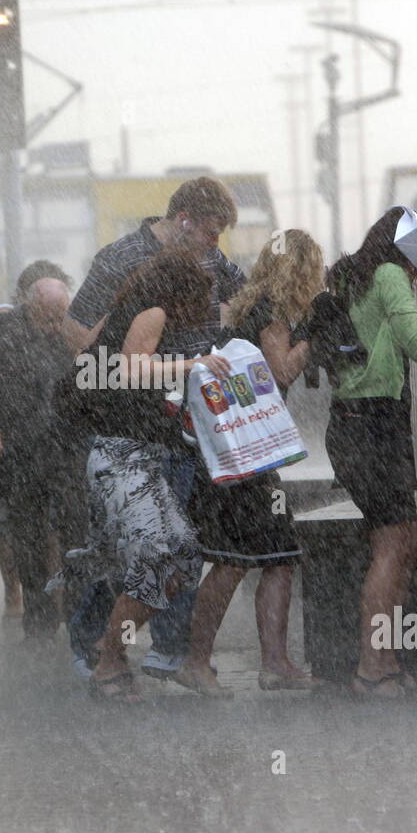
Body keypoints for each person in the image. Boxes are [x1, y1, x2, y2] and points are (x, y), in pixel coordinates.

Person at [62, 177, 245, 681]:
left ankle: (148, 647)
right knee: (146, 548)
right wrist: (172, 367)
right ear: (184, 219)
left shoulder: (198, 265)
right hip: (129, 435)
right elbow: (87, 340)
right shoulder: (128, 268)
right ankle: (102, 648)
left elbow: (246, 295)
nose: (216, 246)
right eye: (211, 232)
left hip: (171, 428)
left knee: (176, 547)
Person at [176, 229, 324, 697]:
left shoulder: (247, 305)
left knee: (274, 556)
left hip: (235, 450)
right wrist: (318, 336)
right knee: (234, 560)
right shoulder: (274, 314)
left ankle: (271, 663)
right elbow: (280, 369)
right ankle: (198, 662)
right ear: (302, 270)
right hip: (243, 456)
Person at [80, 252, 233, 702]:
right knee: (158, 556)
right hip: (121, 454)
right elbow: (129, 369)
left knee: (183, 557)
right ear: (183, 290)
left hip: (137, 452)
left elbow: (89, 354)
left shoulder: (125, 309)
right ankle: (108, 662)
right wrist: (192, 365)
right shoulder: (154, 310)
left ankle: (109, 648)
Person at [323, 207, 417, 699]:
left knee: (408, 536)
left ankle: (386, 657)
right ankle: (371, 667)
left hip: (358, 421)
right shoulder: (387, 275)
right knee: (392, 542)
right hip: (371, 423)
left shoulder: (356, 275)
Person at [0, 266, 84, 639]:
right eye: (47, 316)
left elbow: (99, 378)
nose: (53, 324)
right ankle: (39, 618)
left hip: (67, 449)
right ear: (29, 307)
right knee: (27, 537)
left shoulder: (73, 332)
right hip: (21, 454)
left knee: (77, 532)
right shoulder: (3, 333)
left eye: (59, 316)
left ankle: (78, 617)